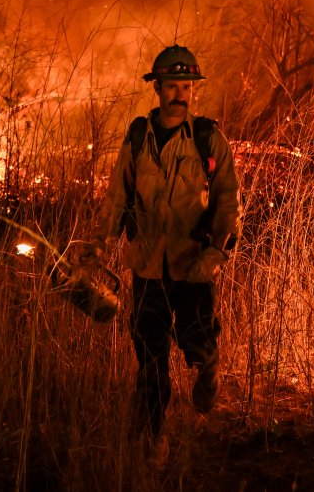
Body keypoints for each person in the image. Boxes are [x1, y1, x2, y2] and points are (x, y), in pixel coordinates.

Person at [83, 44, 242, 464]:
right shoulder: (137, 138)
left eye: (187, 86)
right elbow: (118, 196)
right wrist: (100, 241)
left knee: (196, 343)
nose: (181, 94)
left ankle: (208, 367)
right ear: (158, 89)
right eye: (173, 86)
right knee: (150, 359)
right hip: (148, 266)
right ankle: (154, 436)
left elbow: (228, 200)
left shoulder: (209, 139)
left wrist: (215, 252)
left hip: (194, 265)